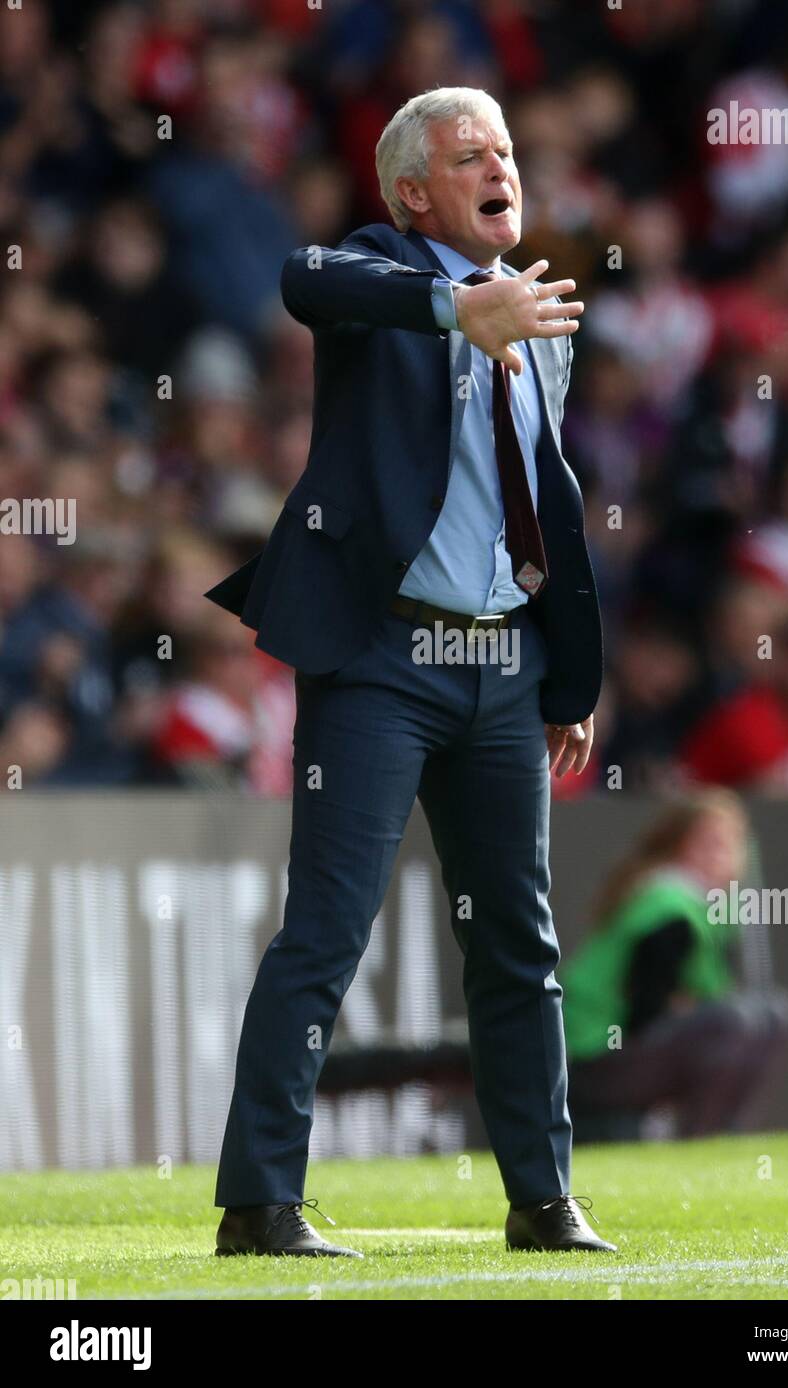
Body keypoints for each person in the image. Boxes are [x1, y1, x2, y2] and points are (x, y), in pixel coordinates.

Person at [205, 87, 614, 1256]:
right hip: (381, 658)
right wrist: (453, 306)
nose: (501, 163)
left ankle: (542, 1198)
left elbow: (542, 497)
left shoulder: (541, 307)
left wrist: (563, 677)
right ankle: (259, 1203)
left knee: (518, 941)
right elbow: (303, 277)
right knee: (327, 929)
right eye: (470, 151)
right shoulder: (376, 274)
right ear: (412, 191)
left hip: (497, 658)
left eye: (506, 145)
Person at [562, 790, 788, 1140]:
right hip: (590, 1063)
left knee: (776, 1013)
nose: (722, 857)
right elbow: (645, 1013)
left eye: (731, 845)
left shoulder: (706, 911)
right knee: (732, 1021)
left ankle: (724, 1136)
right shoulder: (667, 907)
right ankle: (700, 1138)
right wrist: (691, 1010)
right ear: (678, 846)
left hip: (619, 1056)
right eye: (709, 844)